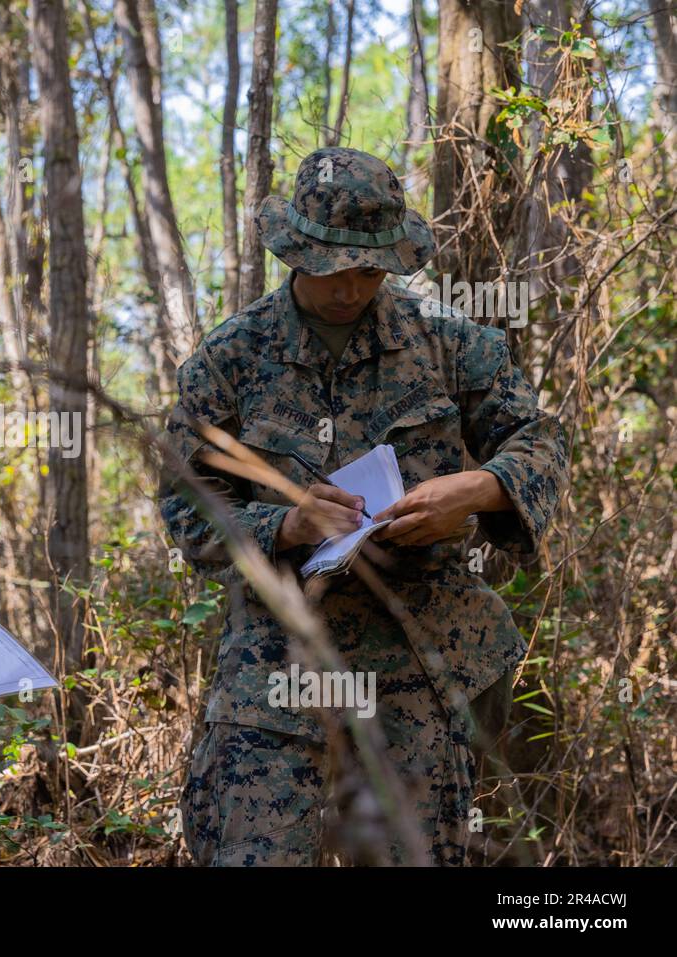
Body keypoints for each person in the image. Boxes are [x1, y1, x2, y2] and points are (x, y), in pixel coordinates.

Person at [160, 147, 568, 865]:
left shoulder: (445, 342)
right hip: (275, 673)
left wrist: (474, 492)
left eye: (370, 270)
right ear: (296, 252)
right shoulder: (229, 360)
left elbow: (539, 439)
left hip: (414, 670)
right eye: (333, 269)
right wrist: (282, 523)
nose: (351, 288)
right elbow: (189, 507)